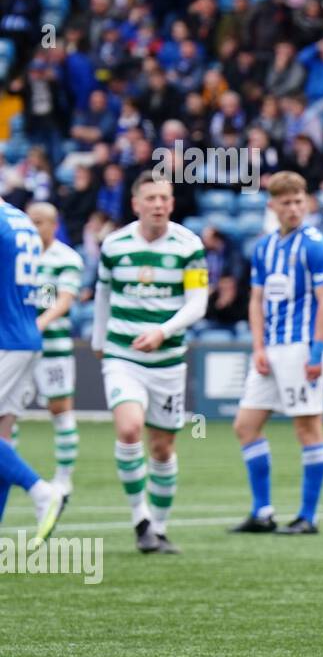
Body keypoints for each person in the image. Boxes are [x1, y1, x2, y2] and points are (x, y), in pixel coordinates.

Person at [92, 176, 209, 554]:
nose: (158, 204)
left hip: (169, 360)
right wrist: (98, 341)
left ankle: (158, 528)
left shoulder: (189, 245)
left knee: (162, 448)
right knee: (129, 430)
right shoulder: (114, 244)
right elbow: (103, 295)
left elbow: (197, 303)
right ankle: (139, 518)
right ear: (135, 203)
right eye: (151, 198)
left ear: (172, 204)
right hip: (123, 355)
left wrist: (162, 331)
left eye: (164, 198)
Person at [230, 172, 323, 536]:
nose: (293, 208)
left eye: (298, 201)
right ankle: (262, 512)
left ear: (305, 202)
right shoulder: (263, 247)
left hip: (301, 347)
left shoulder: (315, 244)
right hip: (270, 349)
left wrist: (317, 351)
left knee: (307, 428)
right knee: (245, 426)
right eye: (286, 203)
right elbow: (255, 301)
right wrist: (257, 346)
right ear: (272, 206)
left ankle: (308, 516)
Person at [0, 197, 69, 544]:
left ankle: (41, 490)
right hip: (24, 334)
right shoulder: (21, 219)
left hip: (4, 337)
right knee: (2, 437)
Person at [28, 203, 84, 495]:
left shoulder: (66, 258)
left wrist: (37, 324)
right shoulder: (19, 255)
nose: (34, 228)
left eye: (39, 222)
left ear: (53, 223)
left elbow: (63, 301)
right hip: (18, 347)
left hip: (53, 345)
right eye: (30, 222)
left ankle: (64, 477)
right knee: (6, 410)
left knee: (59, 408)